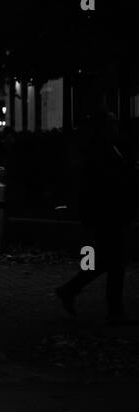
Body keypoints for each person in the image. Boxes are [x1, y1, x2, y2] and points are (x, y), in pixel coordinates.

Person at [56, 112, 137, 325]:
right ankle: (112, 308)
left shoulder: (102, 150)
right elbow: (108, 183)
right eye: (112, 123)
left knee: (108, 260)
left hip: (107, 214)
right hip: (109, 214)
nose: (116, 126)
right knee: (114, 261)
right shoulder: (103, 151)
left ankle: (73, 290)